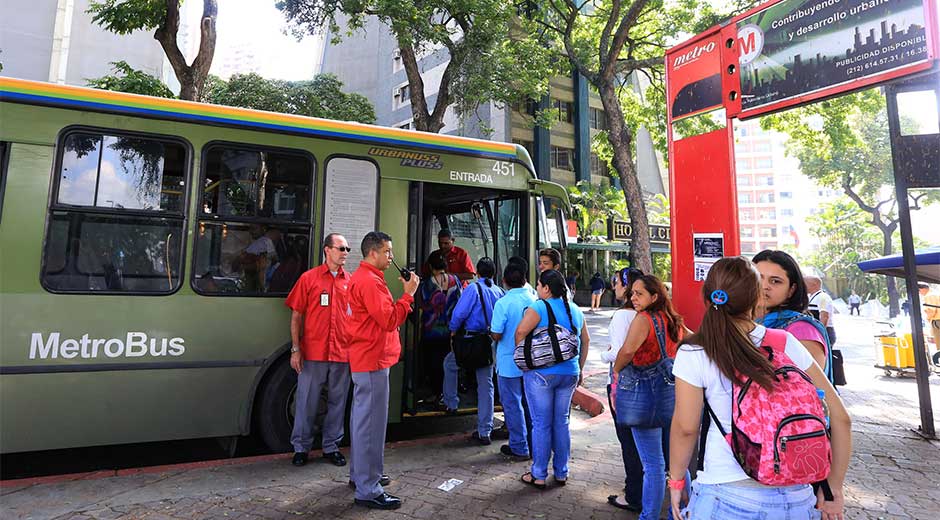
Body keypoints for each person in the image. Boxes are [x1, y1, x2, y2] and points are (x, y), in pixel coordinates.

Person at [668, 256, 852, 520]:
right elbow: (841, 419)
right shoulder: (785, 342)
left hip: (726, 494)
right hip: (796, 498)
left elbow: (686, 428)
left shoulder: (696, 351)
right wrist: (833, 489)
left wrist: (676, 482)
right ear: (757, 298)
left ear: (707, 299)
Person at [346, 231, 419, 510]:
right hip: (373, 359)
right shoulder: (370, 282)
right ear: (373, 252)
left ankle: (362, 475)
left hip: (367, 357)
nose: (391, 257)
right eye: (388, 252)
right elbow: (389, 320)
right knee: (371, 425)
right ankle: (368, 488)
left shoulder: (364, 278)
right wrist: (408, 296)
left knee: (363, 421)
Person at [612, 274, 688, 520]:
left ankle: (649, 516)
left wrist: (617, 370)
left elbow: (627, 351)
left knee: (653, 466)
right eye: (632, 293)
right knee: (677, 461)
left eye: (639, 293)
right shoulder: (671, 318)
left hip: (643, 400)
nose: (633, 297)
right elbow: (693, 337)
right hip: (669, 395)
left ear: (654, 296)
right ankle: (684, 511)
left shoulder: (643, 319)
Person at [514, 269, 590, 489]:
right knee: (562, 422)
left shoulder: (538, 307)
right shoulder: (575, 310)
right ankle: (561, 472)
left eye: (538, 285)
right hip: (570, 373)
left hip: (541, 374)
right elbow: (585, 340)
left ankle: (538, 474)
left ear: (546, 288)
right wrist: (580, 368)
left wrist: (525, 358)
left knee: (541, 424)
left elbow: (520, 333)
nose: (537, 289)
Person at [285, 233, 353, 468]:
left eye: (347, 249)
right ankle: (301, 448)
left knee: (338, 402)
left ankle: (331, 447)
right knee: (306, 402)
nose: (345, 253)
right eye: (341, 248)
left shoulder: (350, 282)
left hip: (342, 353)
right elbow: (296, 316)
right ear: (327, 250)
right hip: (313, 353)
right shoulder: (309, 279)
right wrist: (295, 349)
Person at [600, 267, 645, 512]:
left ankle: (633, 494)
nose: (614, 286)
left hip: (623, 386)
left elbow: (619, 353)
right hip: (648, 386)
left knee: (629, 443)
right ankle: (643, 492)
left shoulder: (622, 316)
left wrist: (603, 354)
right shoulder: (649, 315)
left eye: (617, 282)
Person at [447, 257, 504, 442]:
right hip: (490, 343)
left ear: (477, 273)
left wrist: (453, 331)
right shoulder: (499, 291)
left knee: (449, 364)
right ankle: (485, 430)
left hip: (471, 341)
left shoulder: (473, 288)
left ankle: (451, 402)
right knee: (486, 384)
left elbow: (459, 313)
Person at [752, 250, 831, 378]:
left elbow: (810, 386)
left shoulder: (802, 330)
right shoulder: (741, 323)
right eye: (757, 278)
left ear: (791, 290)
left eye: (775, 281)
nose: (764, 286)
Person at [490, 261, 537, 460]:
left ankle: (519, 446)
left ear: (504, 281)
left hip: (509, 362)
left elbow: (496, 333)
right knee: (530, 405)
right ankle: (535, 445)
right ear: (525, 278)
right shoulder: (535, 299)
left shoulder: (503, 303)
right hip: (531, 361)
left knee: (512, 405)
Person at [416, 250, 462, 407]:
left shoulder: (426, 284)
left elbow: (421, 305)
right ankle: (447, 395)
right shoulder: (454, 280)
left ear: (430, 266)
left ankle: (436, 393)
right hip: (450, 330)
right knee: (448, 364)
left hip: (431, 331)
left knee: (433, 364)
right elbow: (460, 303)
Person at [805, 275, 836, 348]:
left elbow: (824, 316)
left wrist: (820, 333)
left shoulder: (823, 297)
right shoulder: (811, 297)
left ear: (813, 285)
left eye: (804, 283)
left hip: (824, 331)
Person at [920, 283, 940, 351]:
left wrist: (928, 318)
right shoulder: (936, 293)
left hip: (937, 321)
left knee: (938, 343)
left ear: (921, 289)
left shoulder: (929, 296)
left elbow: (931, 310)